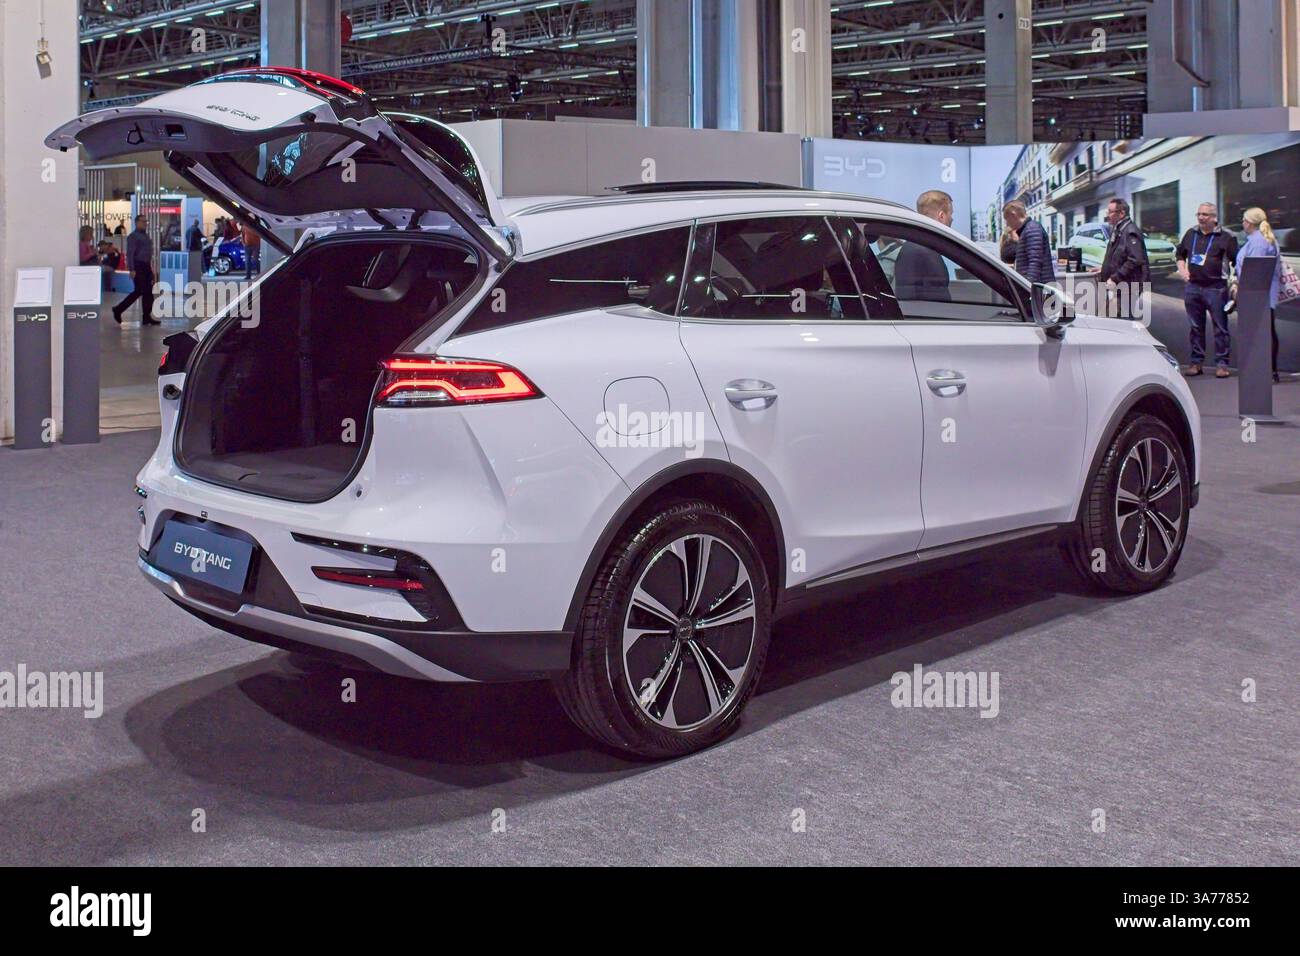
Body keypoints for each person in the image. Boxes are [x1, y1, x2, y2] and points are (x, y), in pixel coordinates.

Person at [1176, 202, 1238, 378]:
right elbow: (1180, 254)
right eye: (1199, 214)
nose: (1201, 218)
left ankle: (1222, 364)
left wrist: (1235, 282)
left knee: (1220, 328)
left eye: (1205, 215)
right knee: (1195, 327)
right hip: (1193, 287)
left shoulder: (1227, 236)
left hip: (1216, 288)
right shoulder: (1191, 234)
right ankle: (1196, 363)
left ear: (1214, 217)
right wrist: (1183, 270)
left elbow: (1237, 262)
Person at [1233, 206, 1284, 383]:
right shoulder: (1264, 239)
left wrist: (1239, 290)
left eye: (1244, 220)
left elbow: (1253, 272)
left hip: (1256, 295)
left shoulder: (1258, 242)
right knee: (1267, 333)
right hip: (1265, 295)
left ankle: (1265, 372)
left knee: (1260, 335)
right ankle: (1270, 371)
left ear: (1251, 223)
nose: (1242, 223)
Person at [1094, 197, 1149, 321]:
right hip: (1121, 286)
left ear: (1122, 213)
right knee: (1117, 318)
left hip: (1127, 287)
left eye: (1110, 211)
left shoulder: (1130, 231)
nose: (1107, 215)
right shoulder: (1119, 229)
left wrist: (1114, 277)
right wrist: (1104, 269)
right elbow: (1119, 256)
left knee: (1124, 322)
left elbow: (1135, 259)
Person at [895, 189, 953, 301]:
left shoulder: (915, 246)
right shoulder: (924, 252)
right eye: (951, 214)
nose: (952, 218)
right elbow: (938, 303)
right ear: (941, 216)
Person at [112, 215, 160, 326]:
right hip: (138, 266)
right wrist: (132, 269)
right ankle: (118, 309)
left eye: (146, 221)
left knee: (147, 292)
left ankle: (146, 317)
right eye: (143, 221)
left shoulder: (146, 236)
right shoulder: (133, 237)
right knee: (140, 291)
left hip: (146, 266)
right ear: (137, 222)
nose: (145, 224)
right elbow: (130, 253)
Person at [1002, 200, 1054, 285]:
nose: (1007, 224)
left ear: (1013, 215)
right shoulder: (1028, 229)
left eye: (1006, 219)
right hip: (1039, 289)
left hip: (1039, 290)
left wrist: (1028, 287)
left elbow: (1035, 262)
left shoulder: (1031, 229)